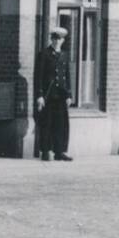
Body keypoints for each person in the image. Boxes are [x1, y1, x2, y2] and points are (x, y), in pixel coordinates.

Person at [35, 27, 72, 161]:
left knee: (60, 125)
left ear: (63, 41)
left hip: (61, 95)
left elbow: (67, 76)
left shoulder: (64, 55)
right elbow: (38, 76)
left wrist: (69, 95)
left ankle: (59, 151)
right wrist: (39, 95)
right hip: (48, 95)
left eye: (59, 39)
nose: (57, 41)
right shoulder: (44, 54)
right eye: (54, 38)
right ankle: (45, 150)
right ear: (51, 39)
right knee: (47, 124)